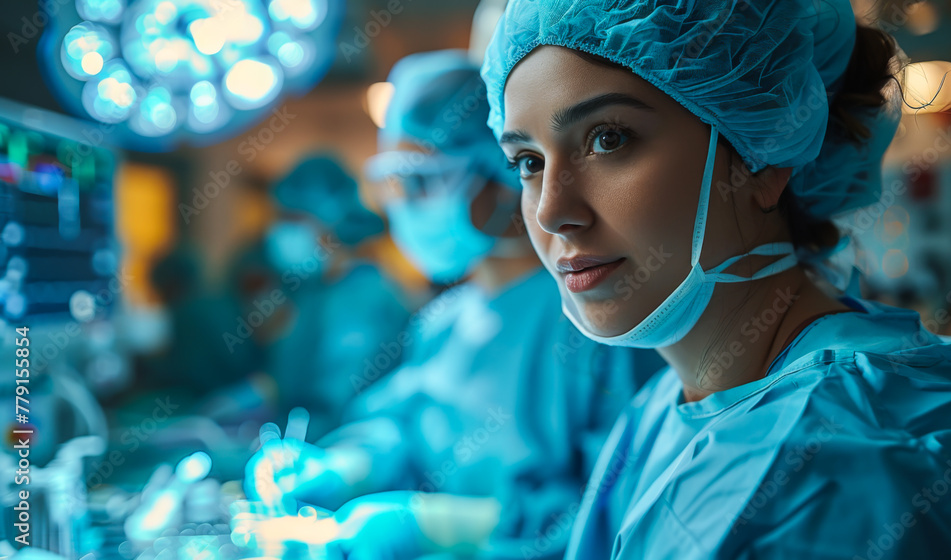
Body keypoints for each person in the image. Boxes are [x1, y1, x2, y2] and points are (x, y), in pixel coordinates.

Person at [475, 1, 951, 559]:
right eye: (528, 162)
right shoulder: (670, 404)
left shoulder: (854, 465)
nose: (552, 211)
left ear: (763, 154)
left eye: (608, 139)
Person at [240, 49, 660, 559]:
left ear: (502, 172)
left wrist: (444, 528)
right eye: (396, 183)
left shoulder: (593, 317)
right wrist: (344, 465)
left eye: (424, 180)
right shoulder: (444, 322)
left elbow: (618, 515)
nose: (405, 205)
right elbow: (403, 427)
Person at [226, 155, 412, 433]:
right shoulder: (316, 293)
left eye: (294, 219)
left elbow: (337, 408)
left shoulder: (367, 300)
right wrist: (231, 408)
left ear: (331, 226)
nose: (280, 231)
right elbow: (288, 384)